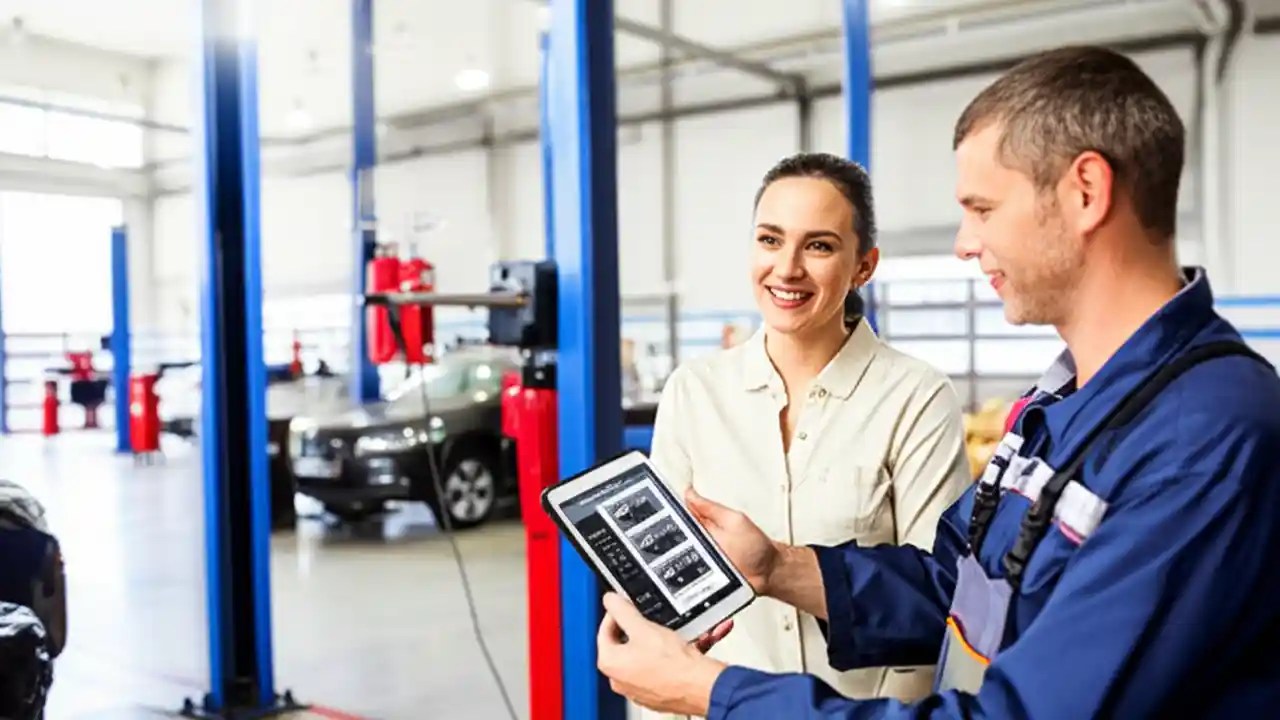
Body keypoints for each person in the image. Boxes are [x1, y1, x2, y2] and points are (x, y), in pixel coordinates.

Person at [596, 44, 1280, 719]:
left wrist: (713, 694)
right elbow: (954, 586)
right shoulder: (1068, 407)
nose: (963, 241)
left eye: (981, 208)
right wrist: (775, 566)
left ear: (1086, 192)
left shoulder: (1203, 438)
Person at [641, 151, 972, 718]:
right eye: (770, 240)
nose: (787, 268)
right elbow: (666, 594)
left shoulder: (916, 397)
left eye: (818, 246)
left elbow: (941, 599)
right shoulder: (693, 391)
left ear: (863, 266)